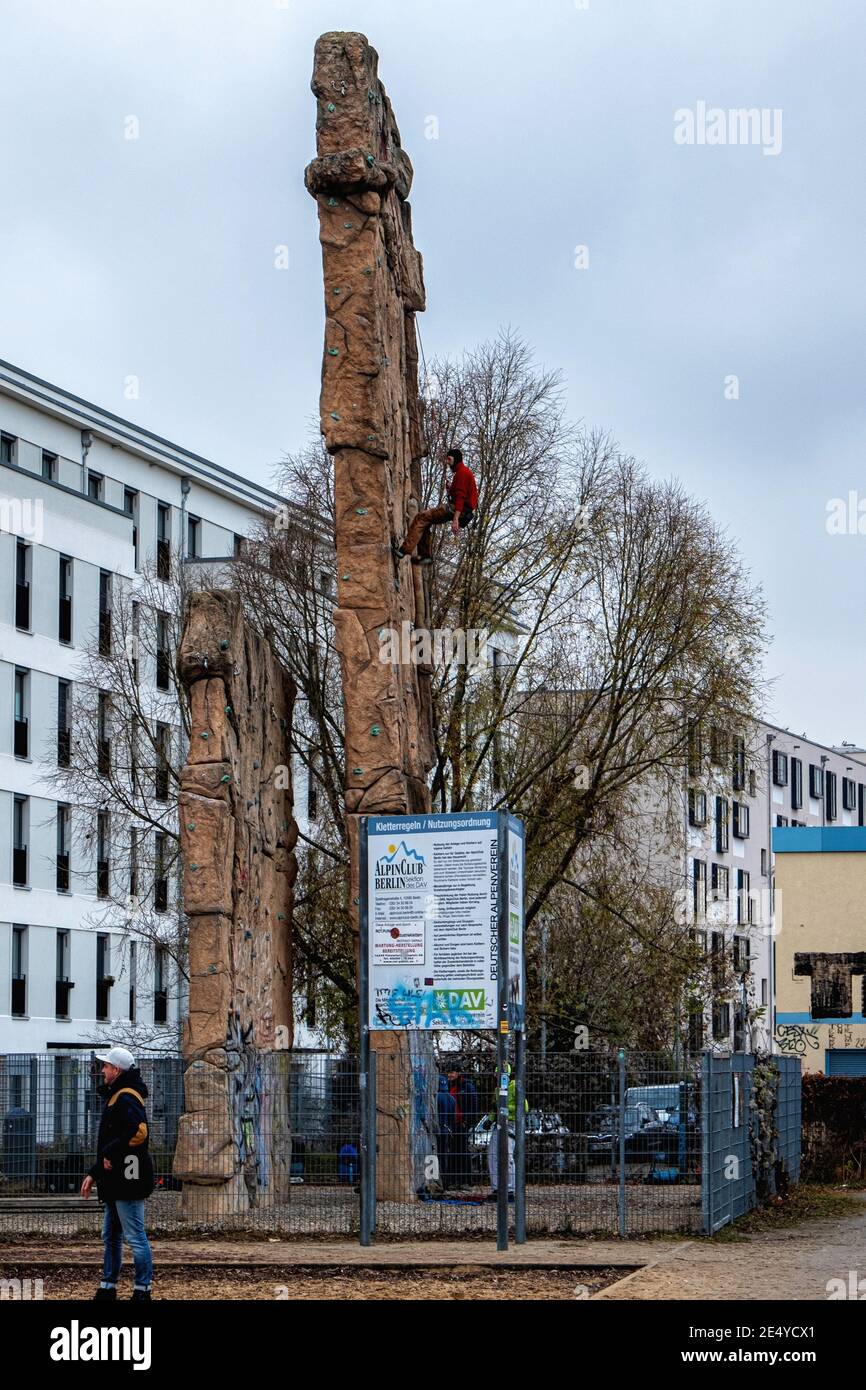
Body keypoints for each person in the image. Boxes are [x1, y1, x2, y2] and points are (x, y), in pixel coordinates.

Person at [80, 1045, 155, 1301]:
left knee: (134, 1236)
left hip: (127, 1180)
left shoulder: (125, 1096)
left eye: (106, 1066)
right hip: (118, 1179)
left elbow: (139, 1132)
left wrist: (109, 1155)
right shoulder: (120, 1095)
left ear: (116, 1069)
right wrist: (96, 1171)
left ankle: (142, 1290)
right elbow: (118, 1140)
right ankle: (108, 1286)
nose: (102, 1070)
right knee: (111, 1235)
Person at [394, 447, 478, 561]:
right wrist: (450, 489)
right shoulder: (463, 472)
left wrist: (455, 520)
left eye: (449, 459)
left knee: (421, 517)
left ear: (456, 459)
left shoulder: (462, 473)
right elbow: (461, 494)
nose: (448, 462)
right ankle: (425, 556)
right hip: (460, 509)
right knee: (426, 521)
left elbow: (461, 498)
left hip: (457, 509)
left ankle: (403, 551)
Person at [486, 1064, 528, 1202]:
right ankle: (497, 1188)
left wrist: (504, 1106)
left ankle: (510, 1190)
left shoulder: (515, 1086)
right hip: (499, 1124)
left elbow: (524, 1107)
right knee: (492, 1155)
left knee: (508, 1156)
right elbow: (495, 1108)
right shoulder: (497, 1090)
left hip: (510, 1124)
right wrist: (490, 1119)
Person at [447, 1065, 480, 1188]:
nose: (450, 1075)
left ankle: (464, 1180)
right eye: (448, 1072)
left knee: (462, 1151)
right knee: (453, 1152)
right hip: (452, 1124)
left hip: (461, 1123)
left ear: (458, 1073)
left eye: (452, 1072)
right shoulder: (449, 1086)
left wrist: (468, 1121)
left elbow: (474, 1104)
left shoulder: (466, 1086)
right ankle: (454, 1180)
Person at [436, 1074, 457, 1190]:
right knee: (445, 1155)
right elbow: (452, 1118)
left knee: (437, 1154)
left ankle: (438, 1179)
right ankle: (445, 1181)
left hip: (437, 1129)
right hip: (446, 1129)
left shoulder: (436, 1097)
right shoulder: (451, 1098)